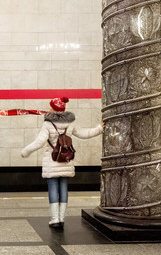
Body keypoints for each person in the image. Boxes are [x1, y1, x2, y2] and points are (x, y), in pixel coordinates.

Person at [19, 97, 102, 229]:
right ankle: (62, 218)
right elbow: (84, 133)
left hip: (52, 161)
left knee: (53, 188)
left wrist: (25, 152)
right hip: (66, 160)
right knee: (63, 187)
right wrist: (99, 128)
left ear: (54, 109)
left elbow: (39, 142)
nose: (49, 108)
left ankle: (55, 219)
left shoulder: (48, 124)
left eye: (51, 106)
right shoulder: (71, 123)